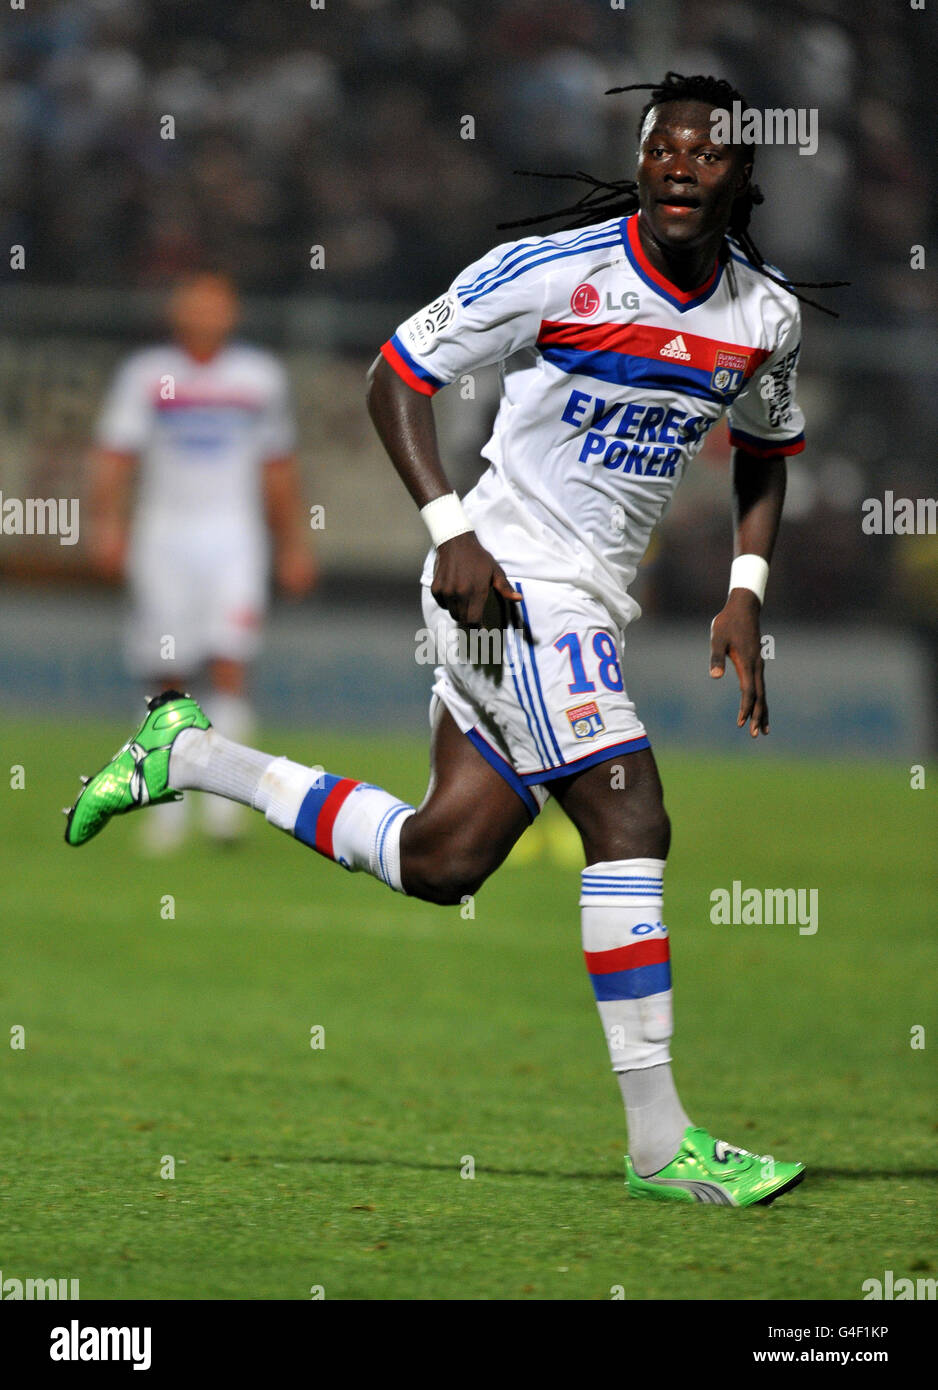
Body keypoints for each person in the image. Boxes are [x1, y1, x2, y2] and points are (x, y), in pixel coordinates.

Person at [66, 74, 830, 1205]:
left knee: (443, 857)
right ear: (640, 159)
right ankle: (662, 1144)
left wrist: (746, 585)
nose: (681, 166)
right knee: (629, 812)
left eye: (706, 154)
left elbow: (767, 445)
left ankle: (189, 754)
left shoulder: (762, 317)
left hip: (582, 599)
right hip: (502, 581)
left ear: (741, 175)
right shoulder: (557, 272)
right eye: (662, 148)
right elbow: (397, 375)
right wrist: (450, 528)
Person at [89, 272, 317, 846]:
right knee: (168, 675)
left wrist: (292, 543)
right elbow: (115, 455)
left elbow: (278, 467)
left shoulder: (257, 378)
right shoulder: (146, 375)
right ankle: (166, 813)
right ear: (177, 313)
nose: (206, 317)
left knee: (229, 664)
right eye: (196, 306)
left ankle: (225, 811)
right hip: (163, 539)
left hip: (234, 540)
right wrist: (107, 525)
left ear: (232, 314)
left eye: (217, 307)